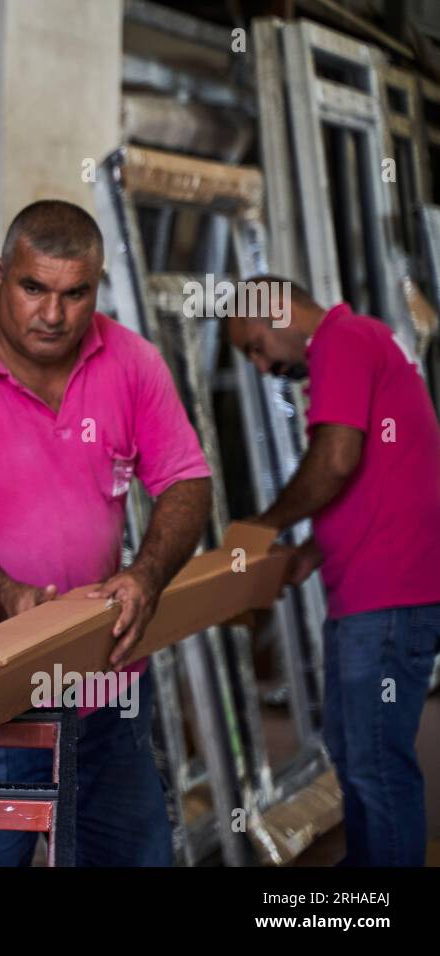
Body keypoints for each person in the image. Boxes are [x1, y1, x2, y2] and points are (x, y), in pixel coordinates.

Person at [0, 199, 213, 866]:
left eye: (74, 293)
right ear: (1, 274)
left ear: (97, 286)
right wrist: (4, 594)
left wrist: (145, 576)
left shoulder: (133, 364)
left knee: (132, 857)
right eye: (34, 288)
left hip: (104, 684)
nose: (53, 315)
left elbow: (186, 481)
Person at [228, 277, 440, 866]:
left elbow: (337, 459)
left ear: (275, 309)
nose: (261, 365)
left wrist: (266, 525)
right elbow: (379, 476)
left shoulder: (342, 341)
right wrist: (312, 553)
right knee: (353, 751)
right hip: (373, 591)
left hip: (388, 595)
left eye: (254, 344)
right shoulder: (356, 344)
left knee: (374, 760)